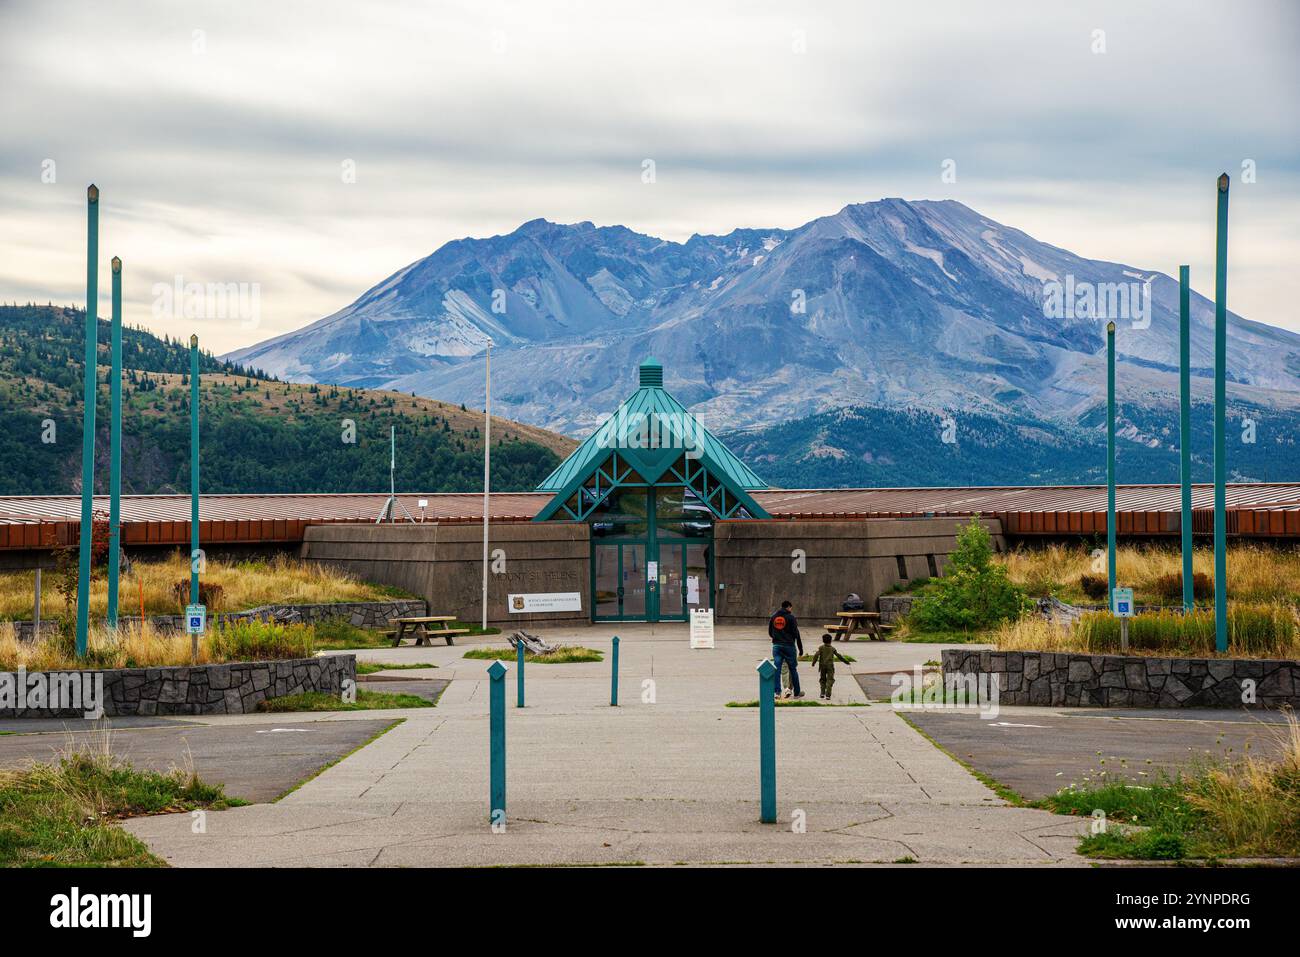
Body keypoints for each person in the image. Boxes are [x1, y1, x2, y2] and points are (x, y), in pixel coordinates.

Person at [767, 600, 804, 699]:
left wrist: (777, 638)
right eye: (791, 608)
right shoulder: (791, 618)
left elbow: (770, 632)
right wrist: (800, 648)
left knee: (777, 669)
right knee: (793, 669)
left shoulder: (774, 617)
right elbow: (796, 633)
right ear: (788, 607)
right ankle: (796, 692)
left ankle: (777, 692)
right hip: (789, 646)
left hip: (777, 646)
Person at [808, 632, 852, 700]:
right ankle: (828, 694)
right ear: (831, 641)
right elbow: (839, 656)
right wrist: (846, 662)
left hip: (822, 666)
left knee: (822, 679)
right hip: (830, 666)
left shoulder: (821, 648)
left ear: (823, 640)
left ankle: (822, 693)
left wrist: (813, 663)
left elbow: (816, 655)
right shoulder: (832, 649)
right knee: (830, 679)